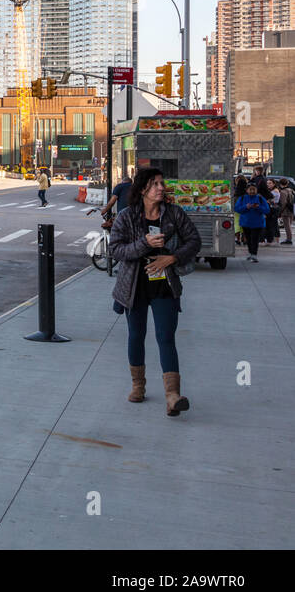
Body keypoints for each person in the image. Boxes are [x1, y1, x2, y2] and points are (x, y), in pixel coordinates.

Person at [109, 167, 201, 416]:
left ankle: (173, 396)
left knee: (165, 337)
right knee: (136, 335)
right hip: (134, 287)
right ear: (142, 190)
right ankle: (138, 386)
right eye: (155, 184)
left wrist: (171, 258)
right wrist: (144, 244)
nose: (161, 187)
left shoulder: (173, 214)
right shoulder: (127, 217)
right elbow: (116, 250)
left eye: (162, 183)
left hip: (164, 286)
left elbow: (194, 241)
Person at [235, 182, 269, 262]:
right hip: (245, 223)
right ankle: (251, 253)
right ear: (247, 190)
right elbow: (237, 209)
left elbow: (267, 210)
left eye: (254, 189)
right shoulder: (242, 198)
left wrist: (258, 207)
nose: (252, 191)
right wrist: (246, 207)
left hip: (257, 223)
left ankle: (254, 254)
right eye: (250, 189)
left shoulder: (261, 198)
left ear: (257, 190)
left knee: (254, 239)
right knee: (249, 239)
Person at [264, 178, 281, 245]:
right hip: (271, 208)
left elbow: (269, 200)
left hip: (273, 209)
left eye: (270, 183)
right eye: (267, 183)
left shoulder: (275, 191)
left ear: (274, 184)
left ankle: (273, 240)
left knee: (272, 224)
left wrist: (267, 200)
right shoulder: (270, 190)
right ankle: (274, 239)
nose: (268, 184)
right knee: (272, 224)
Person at [279, 178, 295, 244]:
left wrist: (280, 211)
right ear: (287, 183)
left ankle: (289, 239)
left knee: (287, 226)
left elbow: (283, 203)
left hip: (285, 211)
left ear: (280, 184)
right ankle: (289, 238)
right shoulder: (291, 190)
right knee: (289, 225)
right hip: (291, 209)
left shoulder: (283, 192)